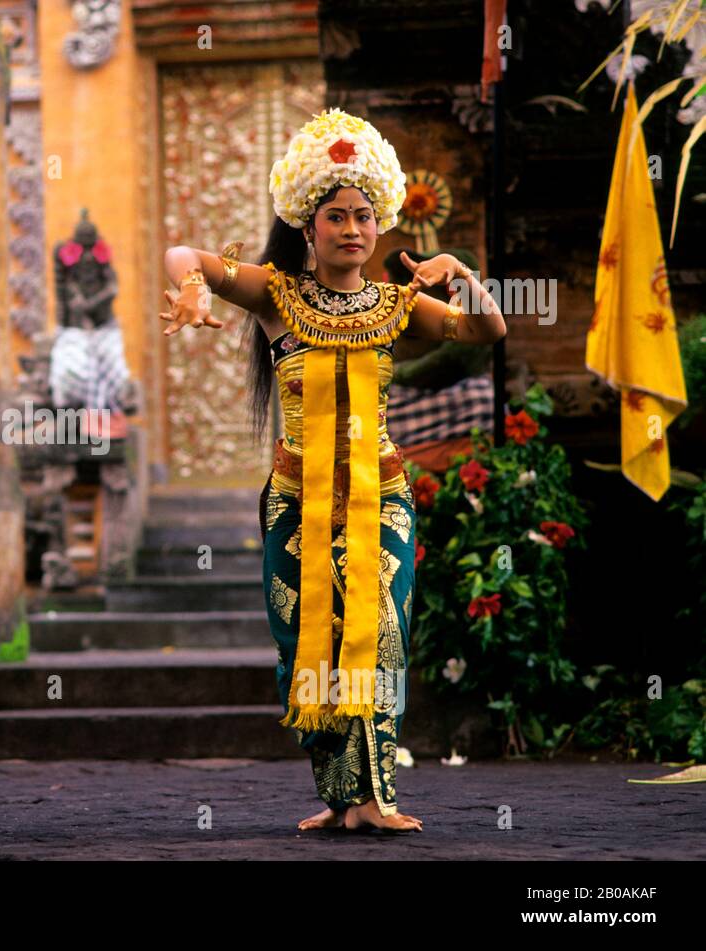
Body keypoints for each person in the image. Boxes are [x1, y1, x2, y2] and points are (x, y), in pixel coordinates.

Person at [160, 108, 505, 833]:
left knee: (379, 631)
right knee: (305, 643)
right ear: (308, 226)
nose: (353, 229)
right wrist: (193, 292)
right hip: (295, 499)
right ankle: (341, 795)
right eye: (337, 216)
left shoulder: (397, 307)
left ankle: (378, 794)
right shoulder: (276, 298)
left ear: (379, 226)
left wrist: (463, 275)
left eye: (365, 216)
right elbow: (182, 252)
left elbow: (486, 331)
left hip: (381, 498)